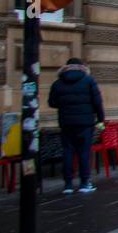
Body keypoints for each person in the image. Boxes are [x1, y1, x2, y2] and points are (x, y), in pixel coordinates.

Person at [47, 57, 105, 195]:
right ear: (82, 67)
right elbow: (97, 102)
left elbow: (52, 103)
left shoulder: (58, 83)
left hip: (66, 123)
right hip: (85, 123)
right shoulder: (89, 80)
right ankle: (84, 183)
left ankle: (67, 184)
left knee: (67, 152)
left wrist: (65, 104)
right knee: (84, 152)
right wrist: (101, 119)